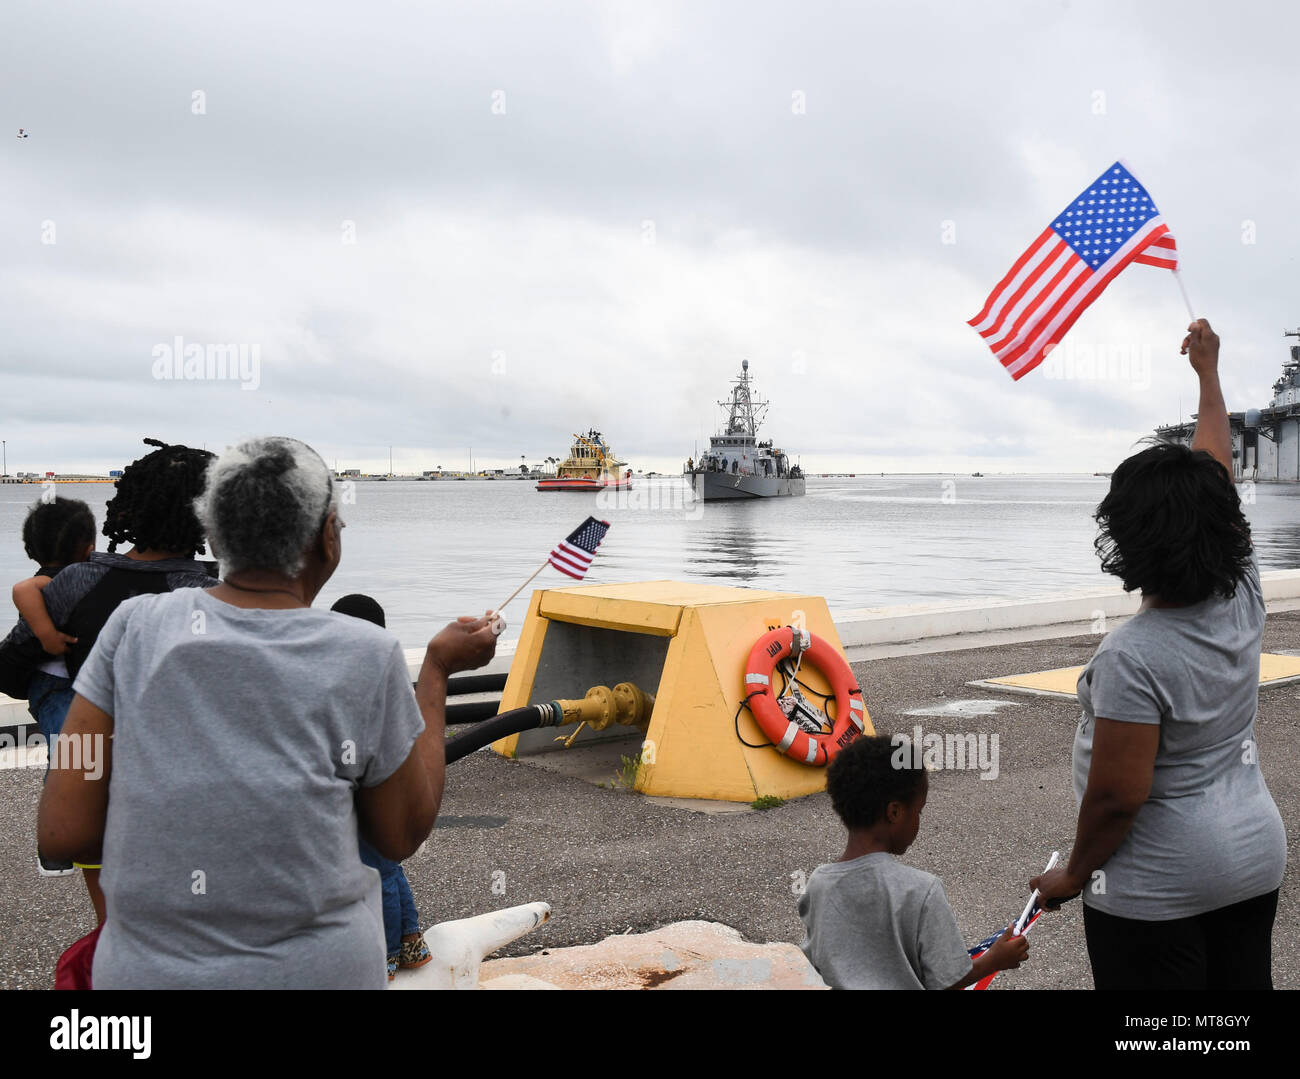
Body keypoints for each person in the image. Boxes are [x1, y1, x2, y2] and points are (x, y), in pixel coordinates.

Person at [38, 435, 498, 988]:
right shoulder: (363, 654)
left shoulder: (133, 629)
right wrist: (437, 672)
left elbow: (64, 834)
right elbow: (400, 834)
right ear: (327, 536)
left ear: (212, 532)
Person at [1033, 319, 1287, 990]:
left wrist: (1073, 874)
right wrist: (1208, 374)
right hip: (1253, 858)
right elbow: (1214, 470)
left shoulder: (1132, 657)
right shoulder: (1242, 584)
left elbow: (1117, 796)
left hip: (1157, 889)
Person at [2, 440, 217, 909]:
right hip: (187, 789)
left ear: (129, 508)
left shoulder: (76, 581)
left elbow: (12, 672)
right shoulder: (212, 595)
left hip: (96, 789)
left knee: (115, 927)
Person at [798, 733, 1029, 989]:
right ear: (894, 812)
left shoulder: (818, 884)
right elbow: (948, 980)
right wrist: (994, 959)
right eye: (918, 811)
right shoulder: (921, 890)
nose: (918, 820)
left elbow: (817, 963)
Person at [331, 592, 433, 981]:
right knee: (389, 869)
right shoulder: (383, 670)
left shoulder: (353, 677)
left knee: (377, 869)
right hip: (391, 784)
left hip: (369, 788)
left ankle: (387, 953)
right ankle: (410, 943)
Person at [8, 497, 96, 875]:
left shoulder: (84, 577)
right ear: (90, 546)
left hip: (67, 685)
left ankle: (77, 828)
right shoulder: (50, 581)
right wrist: (46, 635)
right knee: (69, 760)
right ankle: (56, 842)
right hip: (57, 686)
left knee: (78, 758)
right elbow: (24, 588)